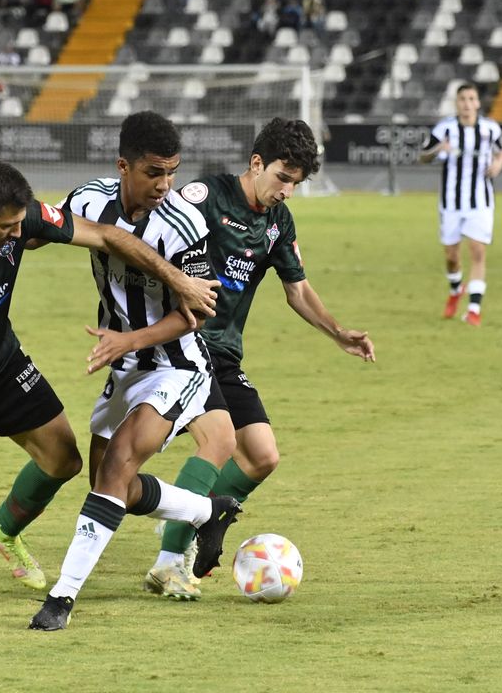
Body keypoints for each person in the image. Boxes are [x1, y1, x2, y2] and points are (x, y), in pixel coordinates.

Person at [0, 156, 220, 626]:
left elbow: (107, 235)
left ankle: (3, 531)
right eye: (9, 227)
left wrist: (178, 281)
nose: (22, 236)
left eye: (23, 223)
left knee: (64, 461)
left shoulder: (22, 215)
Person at [28, 112, 246, 631]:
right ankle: (204, 511)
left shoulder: (186, 223)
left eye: (172, 171)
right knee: (113, 485)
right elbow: (41, 228)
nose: (166, 185)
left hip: (177, 363)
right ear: (123, 165)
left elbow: (196, 311)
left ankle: (61, 598)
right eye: (154, 172)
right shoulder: (88, 199)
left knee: (121, 460)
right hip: (122, 364)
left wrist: (129, 339)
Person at [146, 117, 376, 601]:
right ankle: (170, 560)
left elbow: (297, 289)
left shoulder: (277, 221)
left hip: (223, 353)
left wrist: (338, 333)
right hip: (181, 345)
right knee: (219, 443)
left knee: (262, 456)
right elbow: (151, 245)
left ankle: (197, 519)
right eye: (282, 177)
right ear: (256, 163)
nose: (287, 190)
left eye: (296, 182)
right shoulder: (204, 199)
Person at [420, 83, 502, 327]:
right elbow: (422, 157)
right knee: (451, 257)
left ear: (477, 103)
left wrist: (498, 165)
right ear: (457, 103)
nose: (467, 104)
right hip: (451, 203)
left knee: (478, 252)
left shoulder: (490, 129)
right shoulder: (445, 129)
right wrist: (439, 149)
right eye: (462, 99)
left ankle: (474, 309)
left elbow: (501, 152)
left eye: (471, 99)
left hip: (481, 202)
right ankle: (456, 288)